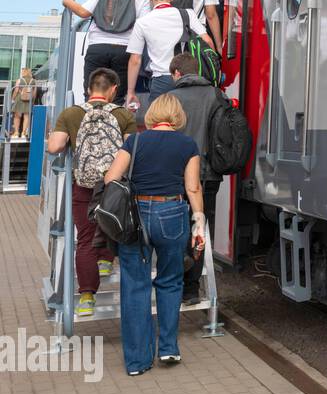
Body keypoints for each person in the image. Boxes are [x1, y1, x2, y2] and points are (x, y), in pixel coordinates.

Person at [102, 94, 204, 376]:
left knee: (135, 285)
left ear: (152, 115)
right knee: (171, 281)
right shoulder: (187, 144)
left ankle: (137, 362)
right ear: (177, 117)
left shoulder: (134, 141)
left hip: (135, 215)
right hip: (172, 212)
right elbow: (193, 188)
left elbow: (110, 178)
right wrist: (199, 223)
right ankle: (169, 348)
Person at [46, 68, 137, 317]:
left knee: (85, 239)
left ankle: (86, 296)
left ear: (88, 89)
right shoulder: (123, 114)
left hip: (83, 185)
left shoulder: (72, 113)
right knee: (111, 223)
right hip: (112, 185)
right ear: (114, 90)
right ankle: (106, 262)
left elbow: (54, 146)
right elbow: (132, 152)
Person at [166, 53, 224, 299]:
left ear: (177, 73)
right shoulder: (216, 95)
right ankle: (191, 289)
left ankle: (173, 282)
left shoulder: (169, 98)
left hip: (176, 176)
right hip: (208, 174)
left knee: (175, 228)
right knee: (200, 228)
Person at [61, 0, 151, 104]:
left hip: (98, 48)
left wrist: (67, 1)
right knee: (118, 97)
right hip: (125, 50)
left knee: (91, 94)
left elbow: (83, 12)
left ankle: (91, 124)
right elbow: (145, 26)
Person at [125, 0, 211, 106]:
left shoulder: (142, 22)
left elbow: (135, 60)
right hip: (187, 78)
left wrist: (130, 92)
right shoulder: (187, 14)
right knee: (187, 120)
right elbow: (207, 41)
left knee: (160, 121)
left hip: (160, 80)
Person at [9, 67, 35, 140]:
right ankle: (23, 133)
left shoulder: (19, 80)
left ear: (23, 72)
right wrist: (32, 101)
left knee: (17, 116)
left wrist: (12, 99)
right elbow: (34, 93)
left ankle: (16, 133)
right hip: (28, 101)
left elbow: (16, 90)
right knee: (27, 116)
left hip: (19, 100)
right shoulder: (33, 81)